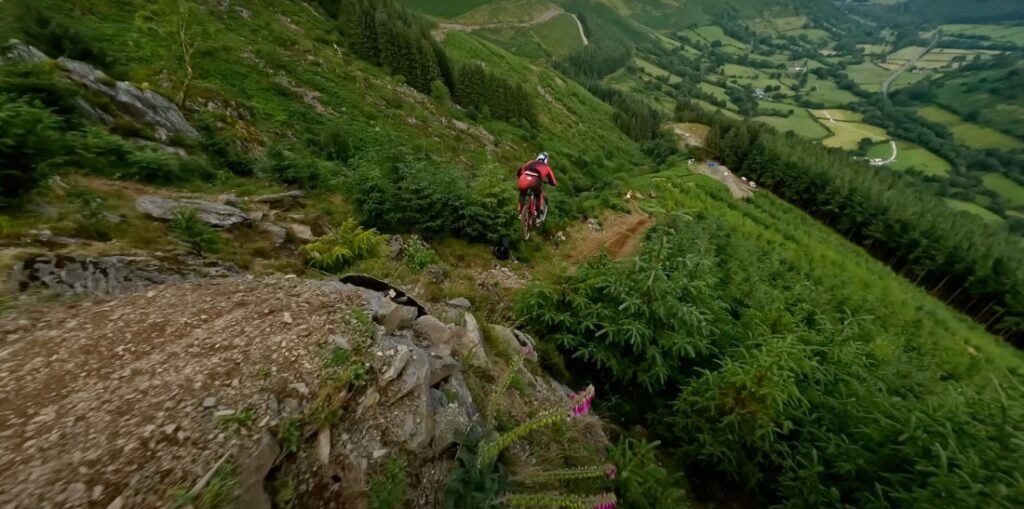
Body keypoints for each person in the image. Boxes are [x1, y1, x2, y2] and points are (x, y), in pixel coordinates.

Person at [517, 152, 557, 223]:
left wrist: (520, 176)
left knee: (522, 194)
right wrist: (552, 183)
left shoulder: (530, 162)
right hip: (535, 181)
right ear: (546, 160)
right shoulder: (546, 167)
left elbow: (520, 170)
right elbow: (553, 181)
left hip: (523, 178)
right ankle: (538, 215)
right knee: (538, 196)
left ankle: (520, 212)